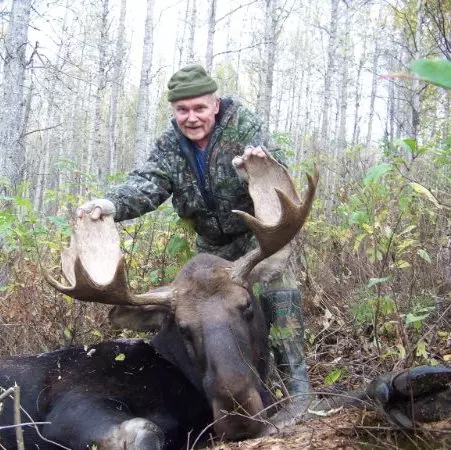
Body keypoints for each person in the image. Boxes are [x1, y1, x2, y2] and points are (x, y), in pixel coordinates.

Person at [77, 64, 310, 411]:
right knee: (203, 320)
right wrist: (110, 204)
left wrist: (256, 168)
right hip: (211, 251)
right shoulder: (171, 145)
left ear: (215, 104)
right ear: (174, 110)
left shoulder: (243, 127)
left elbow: (279, 175)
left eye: (199, 108)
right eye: (182, 109)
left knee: (277, 291)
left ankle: (297, 387)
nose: (191, 117)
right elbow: (148, 183)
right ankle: (214, 392)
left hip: (255, 245)